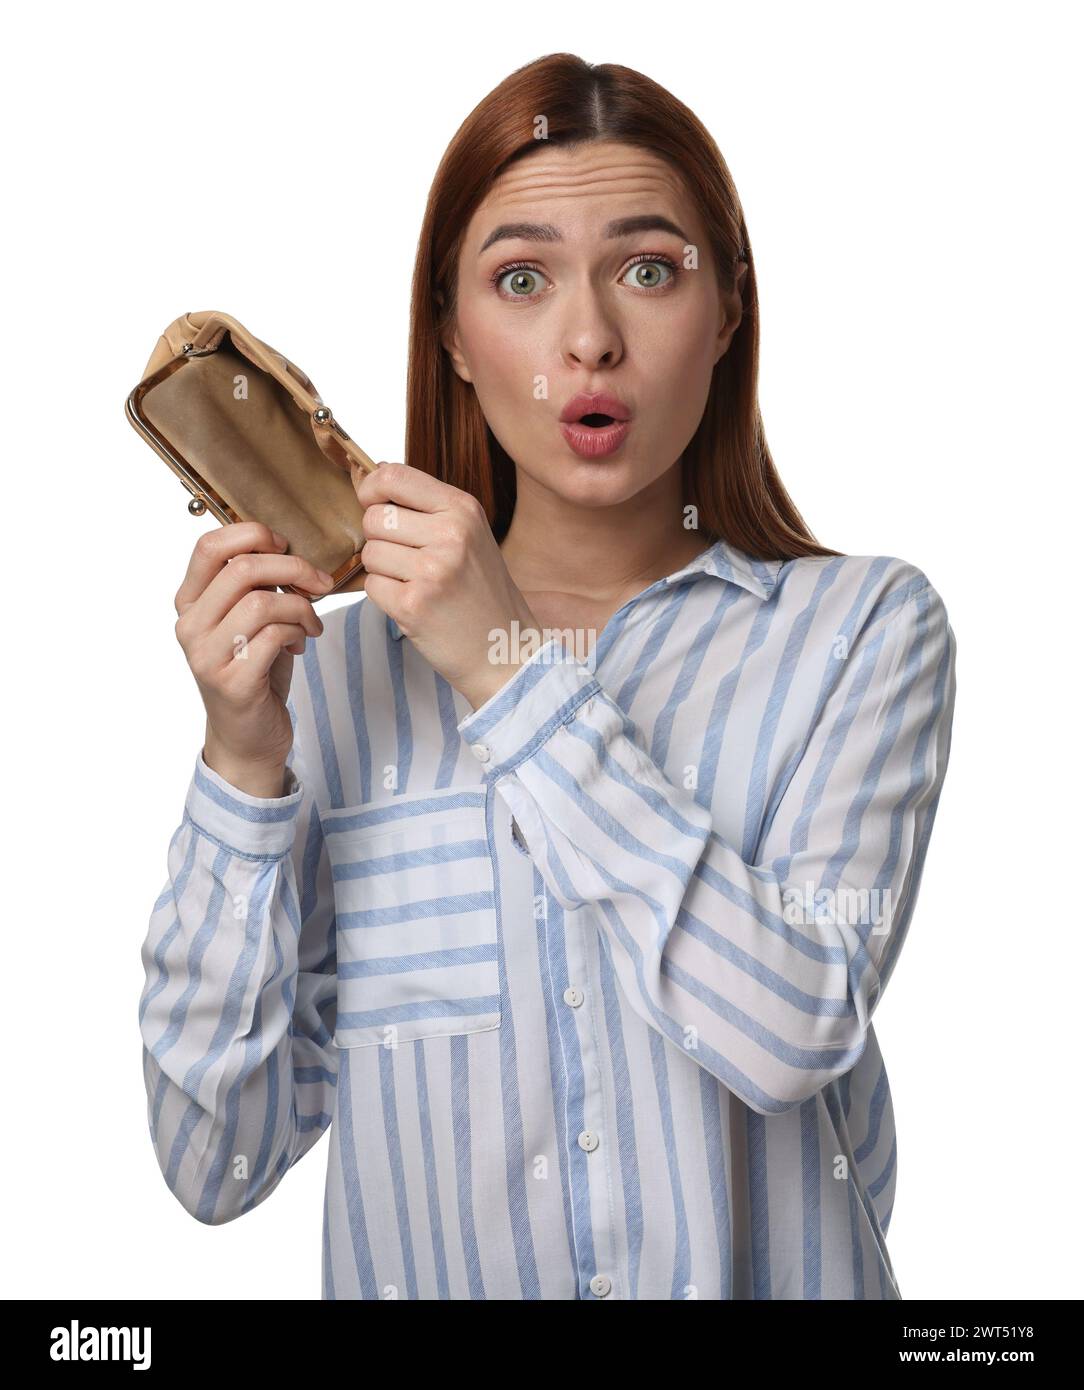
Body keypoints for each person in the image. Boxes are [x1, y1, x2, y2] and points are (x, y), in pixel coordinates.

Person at [138, 52, 956, 1300]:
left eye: (648, 269)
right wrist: (242, 770)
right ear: (453, 338)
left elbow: (792, 1029)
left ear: (728, 309)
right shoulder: (336, 684)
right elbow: (213, 1163)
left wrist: (506, 669)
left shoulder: (861, 633)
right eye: (521, 279)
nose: (588, 339)